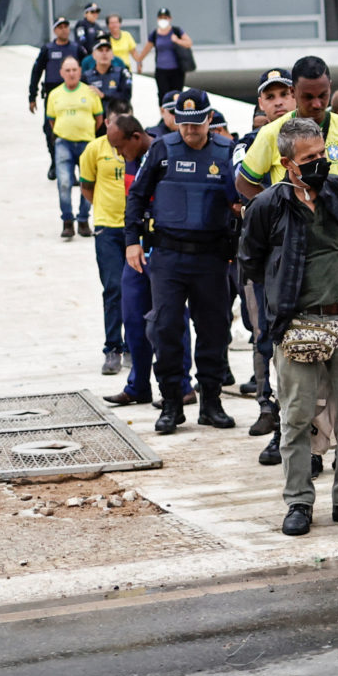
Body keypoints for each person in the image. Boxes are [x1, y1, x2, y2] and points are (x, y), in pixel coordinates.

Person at [238, 117, 338, 536]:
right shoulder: (268, 205)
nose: (320, 163)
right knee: (297, 416)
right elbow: (251, 261)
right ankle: (298, 501)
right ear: (287, 163)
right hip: (297, 325)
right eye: (309, 159)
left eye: (323, 155)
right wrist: (277, 314)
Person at [125, 88, 239, 434]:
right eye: (183, 124)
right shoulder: (162, 149)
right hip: (169, 256)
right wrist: (132, 242)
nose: (190, 131)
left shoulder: (227, 152)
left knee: (214, 330)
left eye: (196, 123)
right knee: (166, 328)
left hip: (212, 257)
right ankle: (172, 403)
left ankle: (211, 402)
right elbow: (137, 195)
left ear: (209, 119)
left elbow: (242, 201)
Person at [103, 116, 196, 409]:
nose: (120, 155)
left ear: (135, 137)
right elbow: (134, 200)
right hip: (139, 249)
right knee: (132, 315)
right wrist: (131, 241)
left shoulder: (166, 151)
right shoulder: (131, 159)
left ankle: (182, 386)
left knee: (168, 319)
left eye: (120, 148)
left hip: (166, 249)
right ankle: (138, 385)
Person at [238, 68, 296, 458]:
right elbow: (244, 183)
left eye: (283, 94)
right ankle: (277, 420)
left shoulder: (315, 132)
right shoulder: (258, 140)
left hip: (320, 255)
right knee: (273, 338)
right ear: (260, 102)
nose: (277, 101)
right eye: (269, 96)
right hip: (276, 257)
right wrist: (273, 207)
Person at [237, 56, 338, 199]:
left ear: (330, 87)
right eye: (308, 97)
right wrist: (275, 210)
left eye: (322, 95)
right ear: (293, 92)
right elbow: (244, 183)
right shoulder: (271, 133)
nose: (317, 104)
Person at [81, 110, 130, 374]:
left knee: (137, 289)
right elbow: (87, 186)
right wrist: (102, 211)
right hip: (107, 229)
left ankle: (134, 345)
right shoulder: (94, 149)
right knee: (113, 287)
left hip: (135, 229)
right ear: (106, 123)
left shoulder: (135, 146)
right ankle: (113, 347)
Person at [47, 56, 102, 239]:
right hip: (64, 143)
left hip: (87, 144)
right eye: (67, 70)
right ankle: (67, 221)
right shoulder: (54, 94)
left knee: (88, 182)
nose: (71, 74)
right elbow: (51, 120)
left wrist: (85, 132)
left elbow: (99, 118)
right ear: (61, 73)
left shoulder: (90, 92)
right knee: (64, 182)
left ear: (80, 71)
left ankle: (84, 220)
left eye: (74, 70)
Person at [29, 17, 86, 181]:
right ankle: (55, 162)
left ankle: (74, 168)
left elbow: (86, 70)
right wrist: (31, 96)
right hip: (53, 97)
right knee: (50, 130)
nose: (63, 30)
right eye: (60, 27)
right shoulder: (48, 49)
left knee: (73, 130)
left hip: (75, 95)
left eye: (66, 27)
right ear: (55, 30)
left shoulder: (76, 49)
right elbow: (36, 71)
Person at [135, 8, 193, 103]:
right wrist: (139, 61)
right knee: (163, 95)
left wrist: (177, 40)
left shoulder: (176, 31)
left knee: (177, 94)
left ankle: (176, 114)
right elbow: (147, 49)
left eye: (165, 17)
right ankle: (164, 115)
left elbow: (189, 43)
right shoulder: (154, 34)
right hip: (161, 70)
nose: (163, 20)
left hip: (176, 70)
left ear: (169, 18)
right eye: (161, 18)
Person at [83, 36, 133, 113]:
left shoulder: (122, 73)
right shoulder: (86, 76)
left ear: (112, 54)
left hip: (117, 116)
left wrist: (103, 95)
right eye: (100, 50)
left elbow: (126, 96)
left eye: (107, 50)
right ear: (93, 55)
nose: (104, 53)